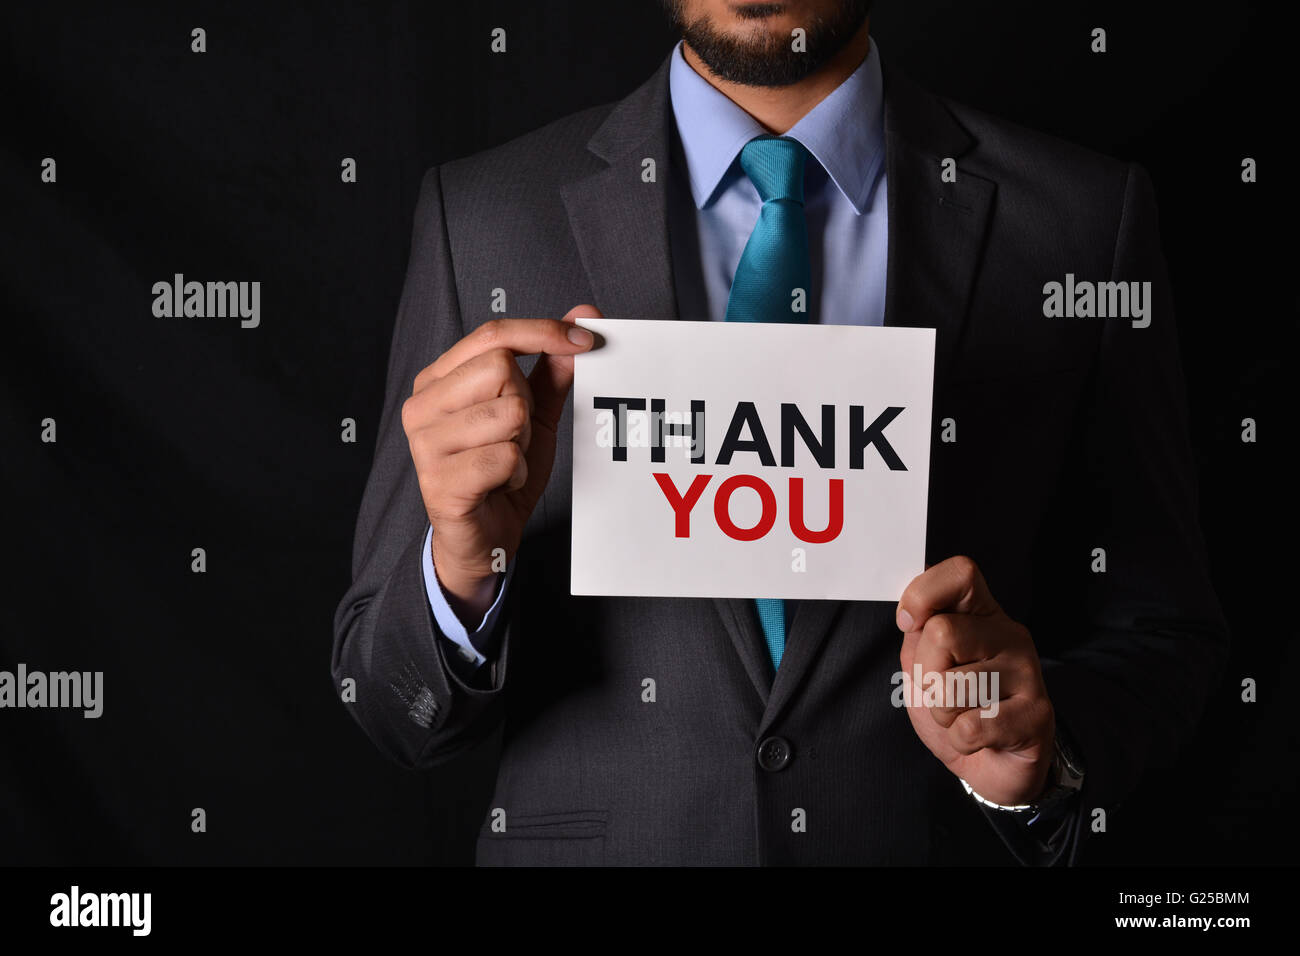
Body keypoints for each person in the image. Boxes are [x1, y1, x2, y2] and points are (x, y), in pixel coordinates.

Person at [332, 0, 1229, 865]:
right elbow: (387, 705)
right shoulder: (482, 216)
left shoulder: (1082, 220)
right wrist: (461, 570)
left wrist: (1039, 751)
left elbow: (1164, 638)